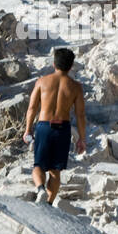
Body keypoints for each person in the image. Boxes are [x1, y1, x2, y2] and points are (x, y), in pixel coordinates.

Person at [23, 47, 86, 205]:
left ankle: (40, 190)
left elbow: (32, 108)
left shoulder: (42, 82)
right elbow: (80, 115)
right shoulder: (76, 87)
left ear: (53, 64)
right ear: (71, 66)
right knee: (55, 171)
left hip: (44, 126)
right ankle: (49, 204)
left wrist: (27, 130)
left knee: (38, 165)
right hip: (62, 129)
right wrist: (82, 139)